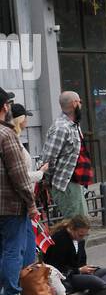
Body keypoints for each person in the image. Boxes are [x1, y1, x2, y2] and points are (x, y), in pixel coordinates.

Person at [0, 87, 37, 295]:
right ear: (5, 106)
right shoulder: (7, 135)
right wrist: (31, 204)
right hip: (10, 204)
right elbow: (19, 175)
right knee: (13, 249)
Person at [43, 215, 106, 295]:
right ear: (72, 228)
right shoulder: (61, 239)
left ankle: (101, 290)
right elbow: (56, 267)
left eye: (84, 235)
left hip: (79, 273)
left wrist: (88, 269)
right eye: (80, 235)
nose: (82, 238)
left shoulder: (79, 240)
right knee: (95, 280)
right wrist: (79, 270)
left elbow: (82, 260)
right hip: (67, 277)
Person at [40, 91, 91, 219]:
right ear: (75, 104)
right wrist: (50, 180)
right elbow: (48, 159)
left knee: (79, 225)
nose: (81, 105)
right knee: (78, 225)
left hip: (75, 183)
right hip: (66, 185)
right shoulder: (61, 128)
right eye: (80, 102)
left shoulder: (73, 125)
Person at [10, 102, 46, 272]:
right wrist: (39, 174)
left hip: (21, 198)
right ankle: (26, 281)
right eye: (25, 118)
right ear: (20, 119)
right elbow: (19, 174)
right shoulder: (12, 140)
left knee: (24, 243)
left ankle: (24, 280)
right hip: (20, 200)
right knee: (23, 245)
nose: (27, 122)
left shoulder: (15, 138)